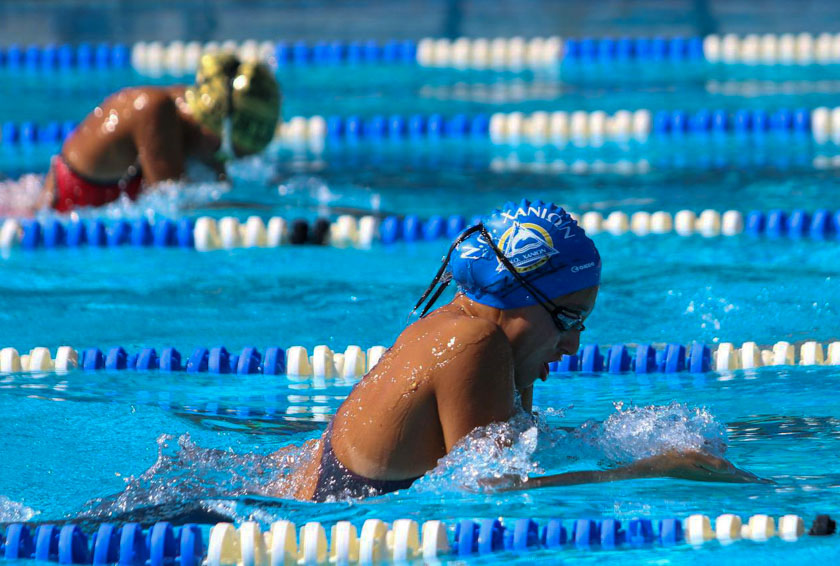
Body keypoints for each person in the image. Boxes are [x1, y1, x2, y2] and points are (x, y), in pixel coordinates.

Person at [287, 199, 761, 501]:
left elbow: (516, 460)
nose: (573, 344)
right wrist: (653, 471)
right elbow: (493, 496)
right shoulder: (474, 344)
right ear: (518, 295)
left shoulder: (456, 332)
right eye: (568, 318)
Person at [36, 52, 280, 212]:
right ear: (215, 135)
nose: (226, 162)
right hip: (57, 217)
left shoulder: (193, 117)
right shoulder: (155, 112)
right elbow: (173, 204)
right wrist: (256, 208)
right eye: (234, 152)